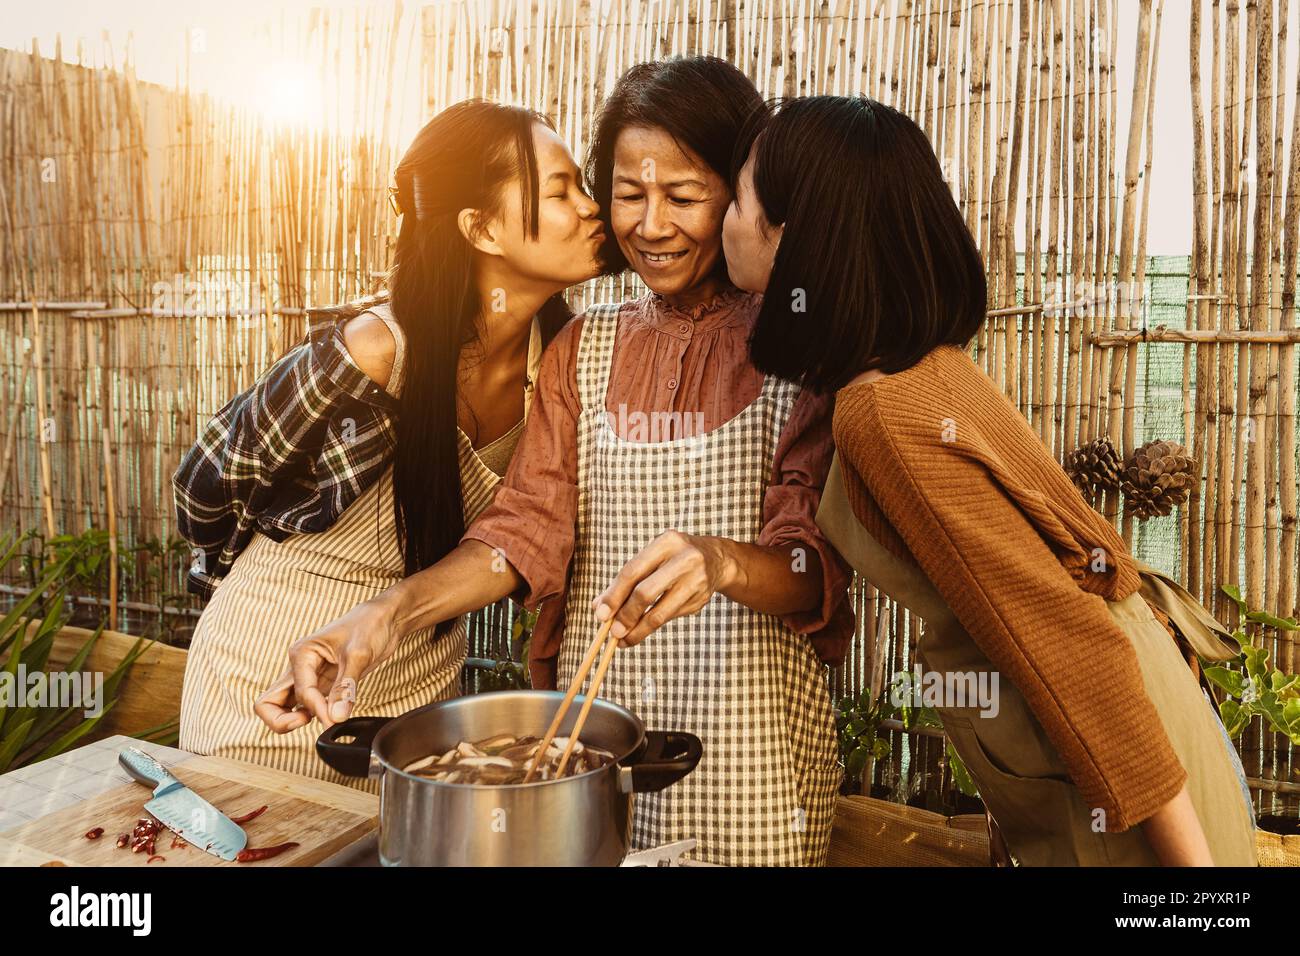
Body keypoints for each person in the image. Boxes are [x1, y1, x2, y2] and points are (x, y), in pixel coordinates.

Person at [256, 57, 851, 866]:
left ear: (742, 191)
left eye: (683, 197)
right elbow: (523, 531)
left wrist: (719, 563)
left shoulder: (798, 353)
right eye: (629, 196)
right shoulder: (585, 346)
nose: (650, 226)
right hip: (589, 747)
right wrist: (384, 617)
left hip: (752, 747)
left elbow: (814, 571)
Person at [721, 93, 1258, 865]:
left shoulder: (882, 415)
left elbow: (1066, 644)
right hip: (1127, 744)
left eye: (737, 198)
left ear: (792, 234)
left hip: (1130, 789)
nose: (724, 222)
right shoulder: (923, 369)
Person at [174, 100, 605, 789]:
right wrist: (240, 586)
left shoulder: (556, 364)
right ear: (483, 228)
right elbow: (207, 484)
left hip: (414, 691)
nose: (593, 207)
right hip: (274, 680)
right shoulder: (376, 352)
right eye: (562, 190)